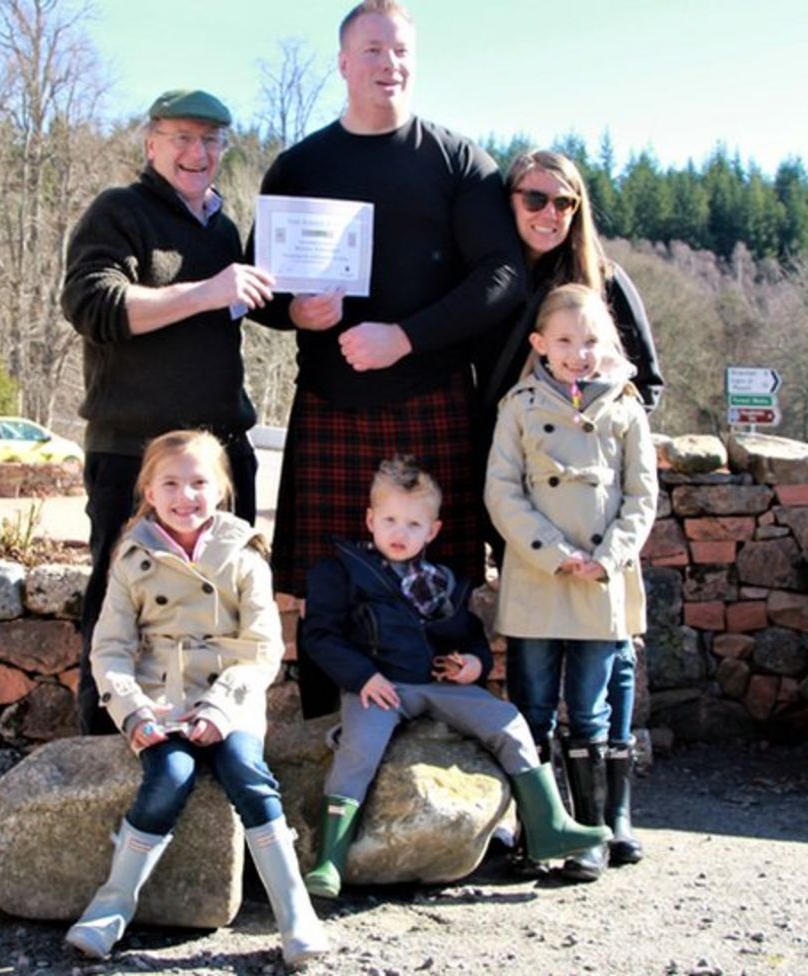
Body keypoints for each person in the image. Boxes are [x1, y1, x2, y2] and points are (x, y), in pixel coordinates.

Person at [250, 0, 525, 717]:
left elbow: (502, 274)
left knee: (442, 583)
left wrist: (405, 335)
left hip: (433, 397)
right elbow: (262, 287)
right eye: (372, 51)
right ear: (343, 62)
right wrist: (294, 311)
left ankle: (436, 765)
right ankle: (324, 748)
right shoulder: (301, 165)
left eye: (400, 51)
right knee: (323, 588)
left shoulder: (459, 161)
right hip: (331, 403)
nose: (388, 64)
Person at [65, 431, 328, 967]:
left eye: (200, 482)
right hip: (162, 698)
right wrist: (134, 710)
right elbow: (110, 649)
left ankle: (295, 912)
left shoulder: (244, 552)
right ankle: (111, 906)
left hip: (231, 696)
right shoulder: (132, 554)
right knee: (170, 778)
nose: (187, 496)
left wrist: (221, 707)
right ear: (150, 490)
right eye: (171, 484)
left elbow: (261, 646)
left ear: (223, 488)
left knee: (247, 774)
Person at [62, 88, 275, 735]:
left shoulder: (222, 227)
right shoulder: (118, 212)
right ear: (150, 143)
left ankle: (216, 750)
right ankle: (105, 759)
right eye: (181, 137)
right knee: (119, 612)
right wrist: (206, 291)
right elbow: (93, 307)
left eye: (210, 141)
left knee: (223, 611)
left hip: (220, 459)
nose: (196, 152)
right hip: (133, 454)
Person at [301, 455, 610, 898]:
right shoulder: (343, 573)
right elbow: (321, 636)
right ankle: (330, 858)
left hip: (438, 685)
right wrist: (363, 677)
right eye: (389, 520)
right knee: (359, 748)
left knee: (508, 722)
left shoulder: (442, 582)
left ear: (433, 531)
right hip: (379, 686)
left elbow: (470, 635)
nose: (399, 533)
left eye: (412, 524)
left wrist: (474, 664)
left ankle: (549, 825)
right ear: (370, 520)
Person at [475, 150, 664, 867]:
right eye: (534, 199)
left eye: (564, 202)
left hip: (600, 538)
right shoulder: (493, 275)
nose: (549, 213)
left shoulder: (607, 282)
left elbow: (647, 387)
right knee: (532, 693)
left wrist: (608, 550)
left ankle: (602, 824)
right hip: (527, 520)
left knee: (600, 683)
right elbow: (503, 471)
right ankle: (537, 824)